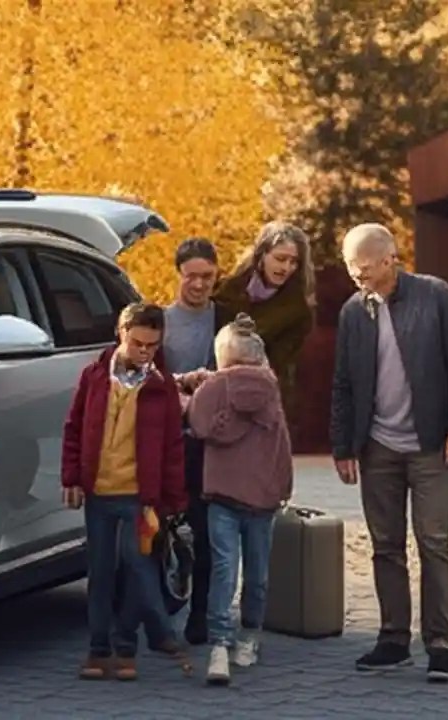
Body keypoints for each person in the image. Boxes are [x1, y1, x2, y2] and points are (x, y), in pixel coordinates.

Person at [330, 223, 448, 683]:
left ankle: (439, 643)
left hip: (432, 445)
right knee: (385, 546)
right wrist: (343, 445)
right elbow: (343, 384)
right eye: (352, 269)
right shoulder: (353, 312)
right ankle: (394, 639)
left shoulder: (435, 296)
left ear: (390, 259)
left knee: (434, 544)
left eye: (365, 268)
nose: (358, 277)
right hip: (378, 449)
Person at [62, 302, 187, 681]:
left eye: (152, 346)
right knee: (100, 572)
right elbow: (74, 426)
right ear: (121, 333)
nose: (144, 352)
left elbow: (172, 447)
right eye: (137, 343)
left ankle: (138, 642)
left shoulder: (161, 387)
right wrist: (71, 477)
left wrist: (171, 500)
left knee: (137, 565)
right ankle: (99, 649)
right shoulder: (94, 376)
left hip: (138, 495)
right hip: (98, 491)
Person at [185, 313, 293, 686]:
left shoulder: (212, 388)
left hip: (222, 496)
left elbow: (198, 426)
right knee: (257, 574)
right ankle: (250, 637)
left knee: (222, 570)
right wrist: (283, 488)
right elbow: (283, 445)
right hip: (262, 499)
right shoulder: (271, 389)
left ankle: (219, 645)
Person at [164, 236, 236, 647]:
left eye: (207, 276)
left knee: (210, 533)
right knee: (163, 529)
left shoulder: (226, 319)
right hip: (171, 443)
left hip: (213, 444)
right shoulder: (159, 320)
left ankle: (201, 615)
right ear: (179, 274)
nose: (199, 284)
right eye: (192, 276)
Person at [211, 221, 316, 427]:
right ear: (261, 255)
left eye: (293, 262)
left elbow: (279, 365)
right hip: (214, 394)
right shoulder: (226, 290)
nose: (286, 267)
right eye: (280, 259)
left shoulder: (296, 311)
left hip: (260, 401)